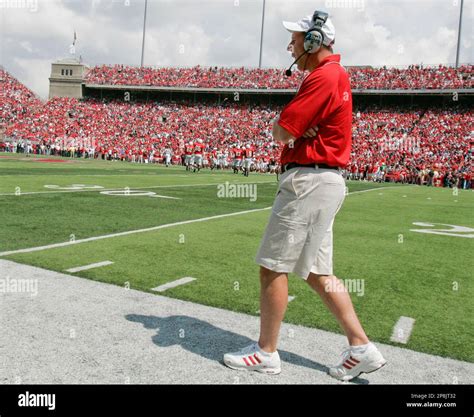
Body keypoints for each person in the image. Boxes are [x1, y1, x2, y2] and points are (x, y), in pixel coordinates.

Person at [224, 10, 387, 381]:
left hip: (309, 182)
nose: (290, 45)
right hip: (323, 181)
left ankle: (266, 352)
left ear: (313, 42)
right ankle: (361, 347)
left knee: (272, 266)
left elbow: (281, 131)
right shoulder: (334, 75)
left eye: (296, 40)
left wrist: (290, 130)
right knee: (317, 272)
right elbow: (291, 128)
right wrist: (297, 129)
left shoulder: (323, 76)